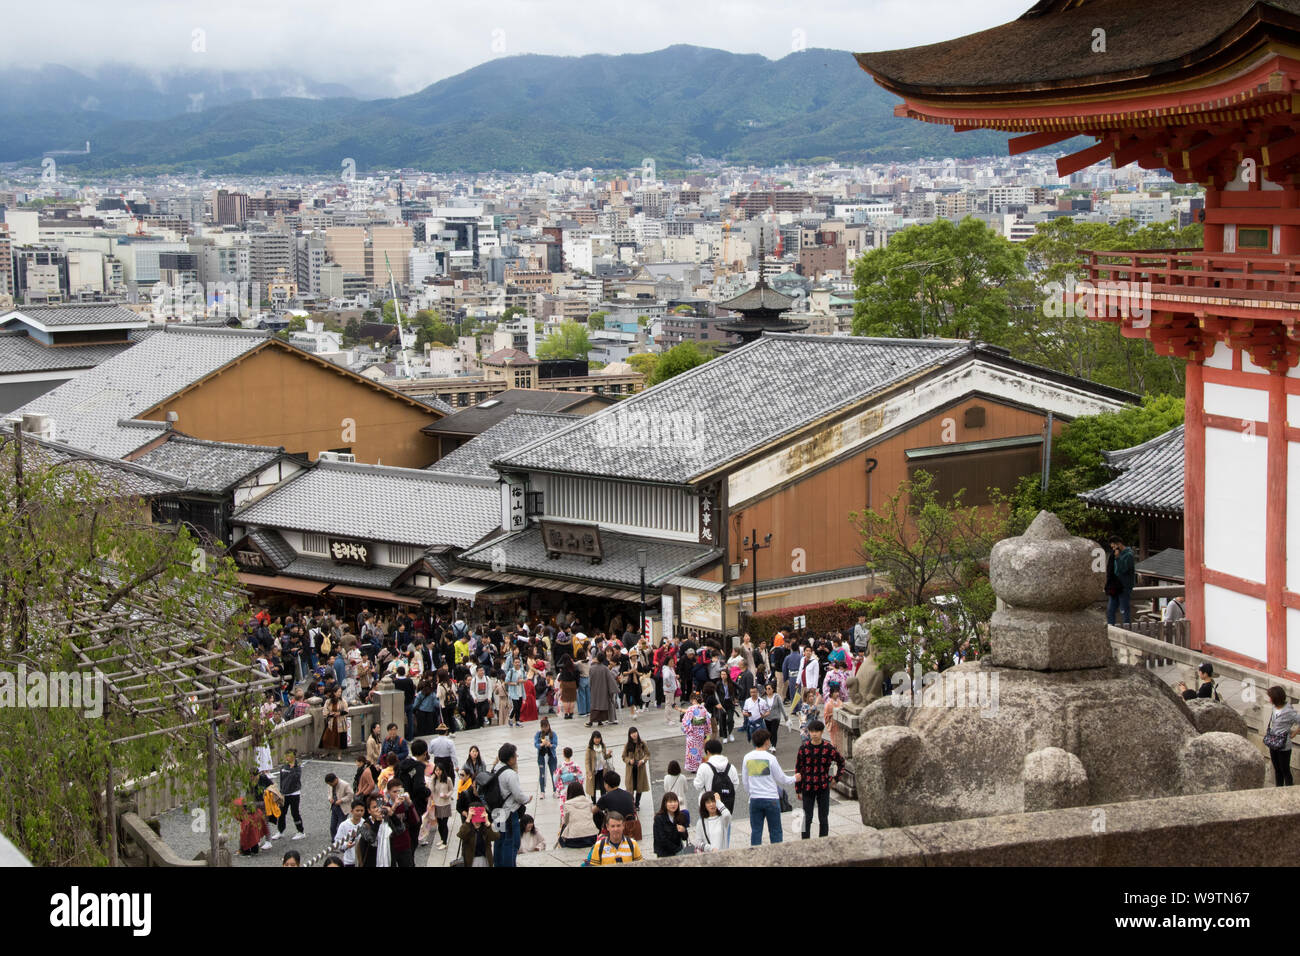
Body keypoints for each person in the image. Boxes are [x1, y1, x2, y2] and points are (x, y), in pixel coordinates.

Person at [742, 728, 795, 846]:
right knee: (775, 831)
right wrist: (795, 778)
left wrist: (751, 793)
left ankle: (755, 856)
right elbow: (782, 779)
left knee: (756, 831)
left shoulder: (747, 757)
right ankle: (776, 856)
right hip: (771, 799)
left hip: (755, 799)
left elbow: (745, 781)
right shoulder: (770, 758)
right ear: (766, 741)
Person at [795, 719, 845, 840]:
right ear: (809, 732)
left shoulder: (828, 748)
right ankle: (805, 842)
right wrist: (798, 789)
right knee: (807, 818)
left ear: (822, 732)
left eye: (817, 731)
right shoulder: (804, 748)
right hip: (807, 787)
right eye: (812, 731)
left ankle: (824, 841)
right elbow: (798, 769)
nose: (814, 734)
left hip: (823, 786)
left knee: (823, 817)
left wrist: (836, 778)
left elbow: (841, 762)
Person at [490, 742, 531, 867]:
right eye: (515, 755)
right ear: (510, 759)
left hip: (496, 811)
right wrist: (527, 799)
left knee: (499, 840)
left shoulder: (495, 768)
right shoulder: (510, 774)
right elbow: (518, 795)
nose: (516, 757)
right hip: (508, 813)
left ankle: (498, 864)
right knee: (512, 842)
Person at [692, 737, 740, 813]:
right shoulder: (731, 767)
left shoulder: (704, 767)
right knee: (726, 823)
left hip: (708, 806)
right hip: (726, 805)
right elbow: (735, 785)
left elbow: (698, 786)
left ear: (707, 752)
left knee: (706, 824)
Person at [1265, 686, 1300, 786]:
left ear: (1276, 698)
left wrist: (1295, 732)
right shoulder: (1274, 707)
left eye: (1271, 697)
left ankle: (1289, 791)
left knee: (1285, 770)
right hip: (1273, 742)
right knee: (1277, 770)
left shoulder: (1289, 712)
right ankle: (1278, 790)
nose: (1269, 699)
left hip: (1284, 745)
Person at [271, 749, 305, 840]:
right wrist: (281, 791)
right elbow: (282, 780)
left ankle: (301, 831)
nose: (287, 757)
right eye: (286, 755)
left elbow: (296, 778)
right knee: (281, 813)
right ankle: (280, 831)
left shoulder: (297, 767)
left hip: (294, 794)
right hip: (284, 794)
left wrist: (293, 768)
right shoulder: (283, 767)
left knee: (295, 813)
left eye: (288, 756)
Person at [557, 780, 600, 848]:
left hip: (574, 839)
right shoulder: (589, 802)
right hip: (591, 837)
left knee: (563, 827)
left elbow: (566, 822)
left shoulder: (567, 804)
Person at [1106, 535, 1136, 626]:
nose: (1113, 548)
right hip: (1115, 585)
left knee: (1124, 609)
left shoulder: (1129, 555)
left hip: (1124, 586)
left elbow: (1123, 569)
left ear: (1118, 544)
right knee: (1110, 610)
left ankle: (1126, 628)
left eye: (1114, 546)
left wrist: (1118, 558)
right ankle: (1111, 627)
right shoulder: (1115, 554)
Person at [680, 691, 712, 773]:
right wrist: (706, 731)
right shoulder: (703, 709)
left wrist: (686, 729)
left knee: (691, 751)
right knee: (699, 750)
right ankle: (699, 766)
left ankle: (692, 768)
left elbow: (685, 721)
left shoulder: (691, 709)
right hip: (700, 733)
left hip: (692, 733)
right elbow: (707, 722)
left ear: (693, 699)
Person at [425, 762, 454, 849]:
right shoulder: (434, 780)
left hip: (445, 804)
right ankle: (442, 839)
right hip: (437, 804)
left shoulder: (447, 779)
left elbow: (451, 790)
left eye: (439, 770)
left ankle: (445, 842)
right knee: (440, 824)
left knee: (444, 823)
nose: (438, 772)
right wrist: (432, 779)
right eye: (436, 770)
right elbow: (431, 790)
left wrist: (447, 795)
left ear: (442, 771)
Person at [652, 792, 691, 857]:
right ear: (665, 804)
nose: (673, 804)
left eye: (675, 801)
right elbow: (662, 839)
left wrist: (683, 830)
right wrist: (677, 850)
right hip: (664, 854)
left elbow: (685, 837)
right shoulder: (659, 818)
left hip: (678, 852)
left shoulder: (680, 816)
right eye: (670, 802)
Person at [621, 727, 651, 810]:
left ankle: (637, 804)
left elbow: (647, 754)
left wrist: (643, 760)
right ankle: (631, 804)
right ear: (629, 735)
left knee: (639, 787)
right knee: (630, 788)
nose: (634, 734)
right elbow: (623, 757)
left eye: (635, 732)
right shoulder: (627, 745)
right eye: (632, 733)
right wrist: (629, 761)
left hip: (640, 768)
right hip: (631, 769)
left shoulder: (642, 743)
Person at [587, 652, 619, 727]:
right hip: (603, 690)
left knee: (594, 705)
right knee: (602, 705)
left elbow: (590, 680)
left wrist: (590, 687)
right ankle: (600, 721)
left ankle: (592, 721)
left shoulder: (592, 668)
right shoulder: (605, 668)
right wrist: (615, 689)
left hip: (594, 689)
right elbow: (610, 679)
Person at [334, 798, 366, 866]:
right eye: (357, 810)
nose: (359, 813)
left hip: (363, 860)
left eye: (362, 810)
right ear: (351, 811)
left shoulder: (365, 824)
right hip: (349, 861)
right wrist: (346, 845)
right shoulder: (344, 825)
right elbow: (337, 842)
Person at [535, 717, 559, 798]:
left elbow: (555, 744)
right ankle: (542, 791)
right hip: (541, 756)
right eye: (543, 727)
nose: (545, 728)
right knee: (542, 774)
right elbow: (535, 744)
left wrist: (550, 745)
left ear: (549, 726)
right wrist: (541, 744)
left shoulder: (553, 734)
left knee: (554, 774)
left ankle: (555, 790)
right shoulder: (538, 734)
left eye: (546, 726)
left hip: (551, 755)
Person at [324, 772, 353, 840]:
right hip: (334, 807)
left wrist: (341, 800)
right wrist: (330, 798)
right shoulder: (330, 785)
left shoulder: (345, 785)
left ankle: (340, 842)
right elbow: (329, 793)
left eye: (331, 784)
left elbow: (351, 795)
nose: (330, 785)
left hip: (343, 809)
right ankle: (334, 841)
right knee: (332, 827)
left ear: (335, 780)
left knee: (340, 827)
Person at [585, 730, 610, 801]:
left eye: (598, 738)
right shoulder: (590, 748)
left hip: (602, 770)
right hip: (593, 771)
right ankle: (594, 803)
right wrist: (588, 771)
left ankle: (603, 802)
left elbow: (604, 757)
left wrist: (609, 754)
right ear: (592, 739)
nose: (597, 740)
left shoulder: (603, 746)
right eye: (595, 738)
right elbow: (587, 761)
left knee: (603, 787)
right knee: (593, 787)